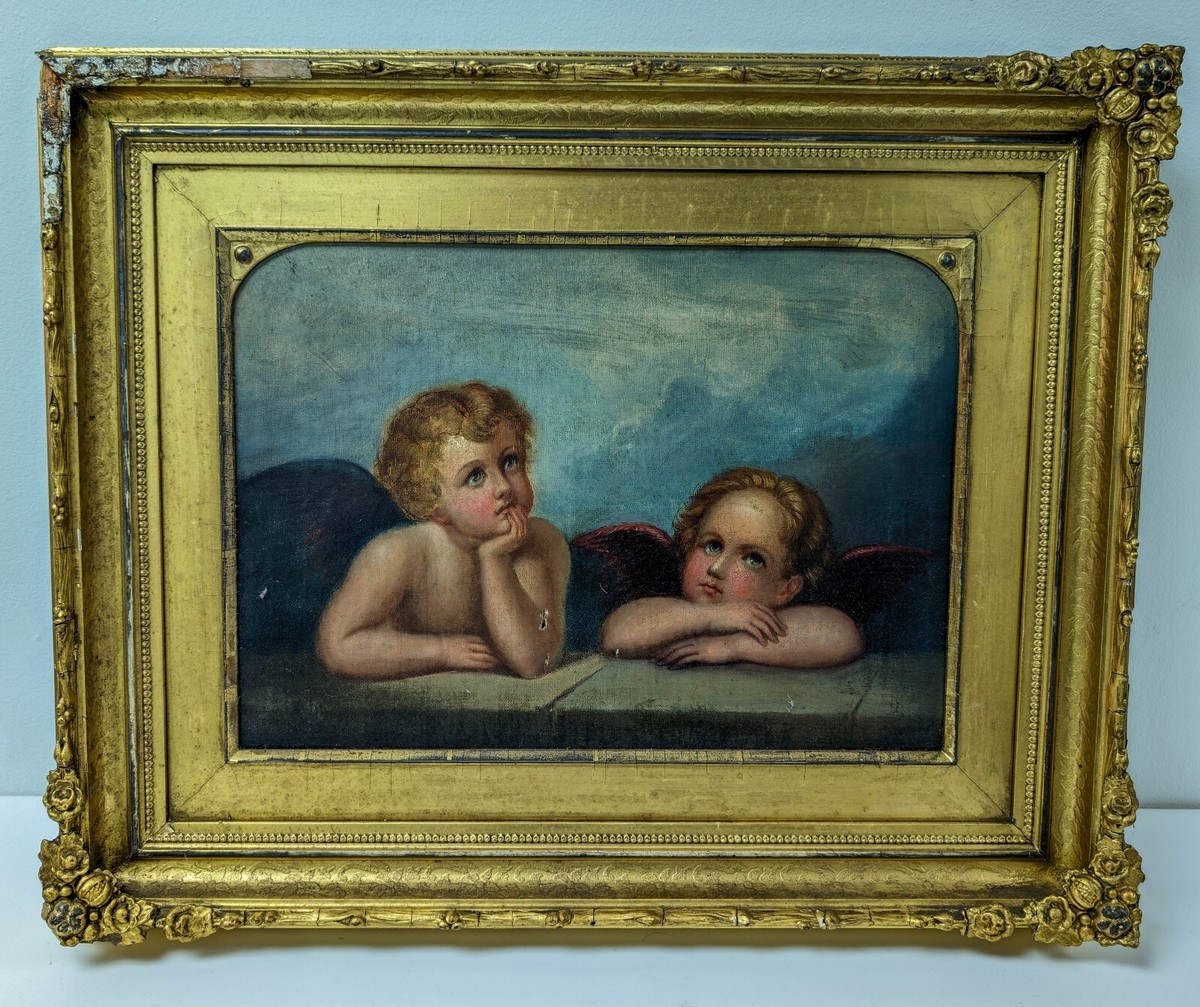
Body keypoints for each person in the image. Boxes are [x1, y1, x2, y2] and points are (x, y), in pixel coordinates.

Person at [316, 381, 569, 680]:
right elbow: (337, 646)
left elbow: (535, 662)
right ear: (433, 504)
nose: (503, 487)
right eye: (475, 477)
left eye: (510, 461)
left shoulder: (539, 542)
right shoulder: (398, 554)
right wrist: (443, 651)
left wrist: (495, 559)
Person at [599, 468, 863, 668]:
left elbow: (843, 635)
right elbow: (615, 635)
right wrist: (716, 616)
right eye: (712, 546)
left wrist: (728, 646)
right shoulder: (667, 613)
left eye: (753, 559)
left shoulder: (779, 624)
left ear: (786, 589)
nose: (717, 567)